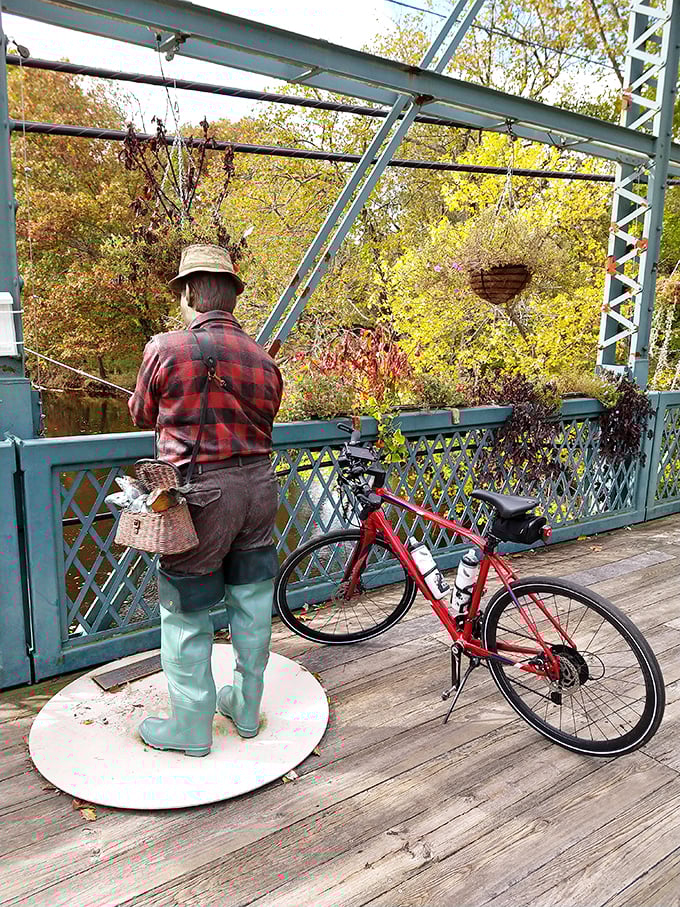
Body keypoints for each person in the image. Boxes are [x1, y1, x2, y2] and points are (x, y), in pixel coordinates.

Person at [128, 244, 283, 757]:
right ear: (231, 297)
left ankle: (191, 726)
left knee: (185, 608)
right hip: (260, 486)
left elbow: (142, 413)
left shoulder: (166, 347)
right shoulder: (263, 359)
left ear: (191, 294)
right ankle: (246, 707)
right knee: (252, 599)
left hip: (201, 493)